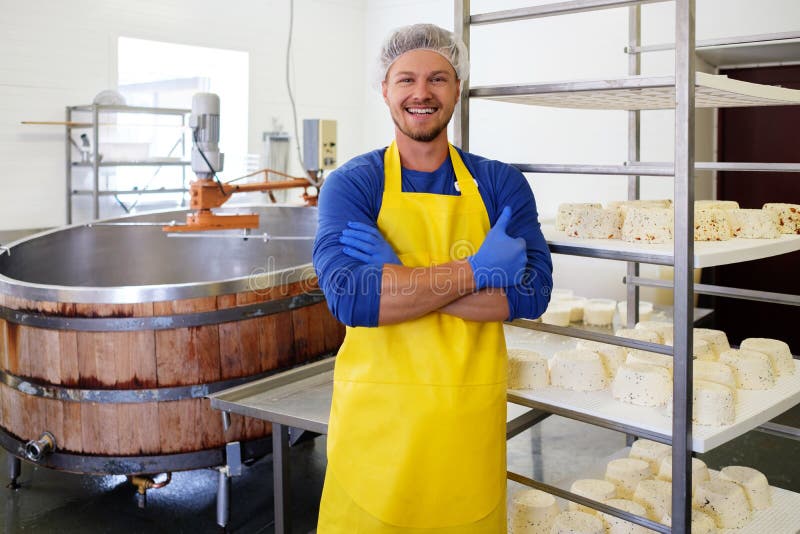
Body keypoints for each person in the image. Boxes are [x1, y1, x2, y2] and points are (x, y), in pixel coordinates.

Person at [312, 23, 553, 533]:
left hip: (466, 431)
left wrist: (396, 277)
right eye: (406, 80)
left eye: (438, 79)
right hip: (376, 435)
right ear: (385, 89)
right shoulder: (355, 184)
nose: (421, 93)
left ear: (457, 88)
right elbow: (352, 301)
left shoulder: (497, 182)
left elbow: (532, 293)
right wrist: (479, 272)